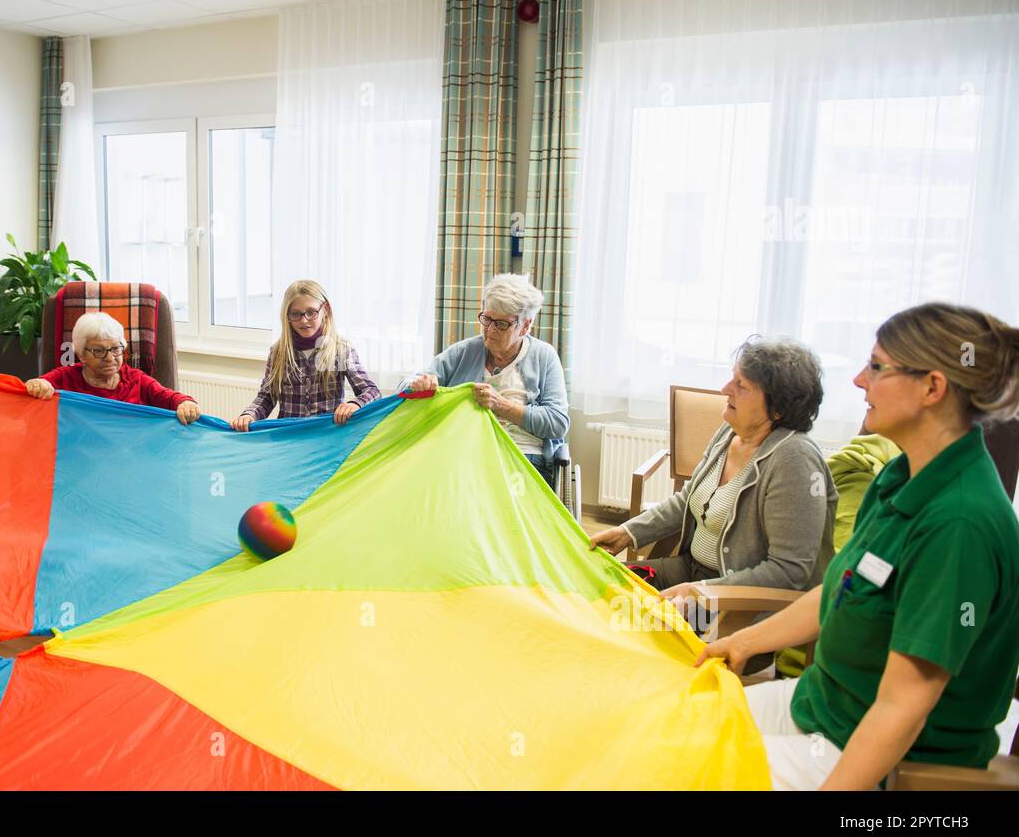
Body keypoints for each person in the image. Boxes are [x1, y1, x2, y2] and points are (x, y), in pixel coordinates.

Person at [699, 303, 1019, 790]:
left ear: (932, 388)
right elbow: (840, 590)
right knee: (680, 713)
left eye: (876, 366)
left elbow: (901, 711)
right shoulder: (900, 475)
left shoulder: (958, 525)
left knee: (683, 766)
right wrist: (739, 642)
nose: (857, 381)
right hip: (822, 704)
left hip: (869, 749)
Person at [592, 337, 838, 601]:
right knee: (597, 583)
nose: (725, 389)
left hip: (735, 604)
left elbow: (790, 571)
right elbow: (687, 501)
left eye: (741, 385)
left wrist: (704, 593)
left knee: (625, 621)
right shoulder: (730, 431)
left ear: (778, 408)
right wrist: (628, 533)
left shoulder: (794, 459)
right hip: (690, 574)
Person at [404, 274, 569, 487]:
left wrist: (501, 405)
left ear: (525, 326)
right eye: (486, 319)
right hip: (464, 450)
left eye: (501, 324)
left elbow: (558, 422)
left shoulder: (544, 356)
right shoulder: (465, 351)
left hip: (521, 454)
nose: (490, 329)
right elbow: (407, 387)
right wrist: (419, 385)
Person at [230, 280, 379, 431]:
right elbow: (267, 397)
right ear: (287, 316)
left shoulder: (341, 349)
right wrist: (250, 415)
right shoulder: (278, 352)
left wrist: (355, 404)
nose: (304, 320)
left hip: (327, 437)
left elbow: (372, 391)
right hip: (288, 436)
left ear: (325, 310)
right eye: (296, 314)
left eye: (311, 312)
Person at [24, 312, 199, 425]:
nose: (110, 358)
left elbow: (170, 398)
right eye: (98, 351)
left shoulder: (135, 379)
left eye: (116, 349)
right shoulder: (65, 378)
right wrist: (37, 385)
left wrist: (186, 403)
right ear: (81, 354)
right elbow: (36, 386)